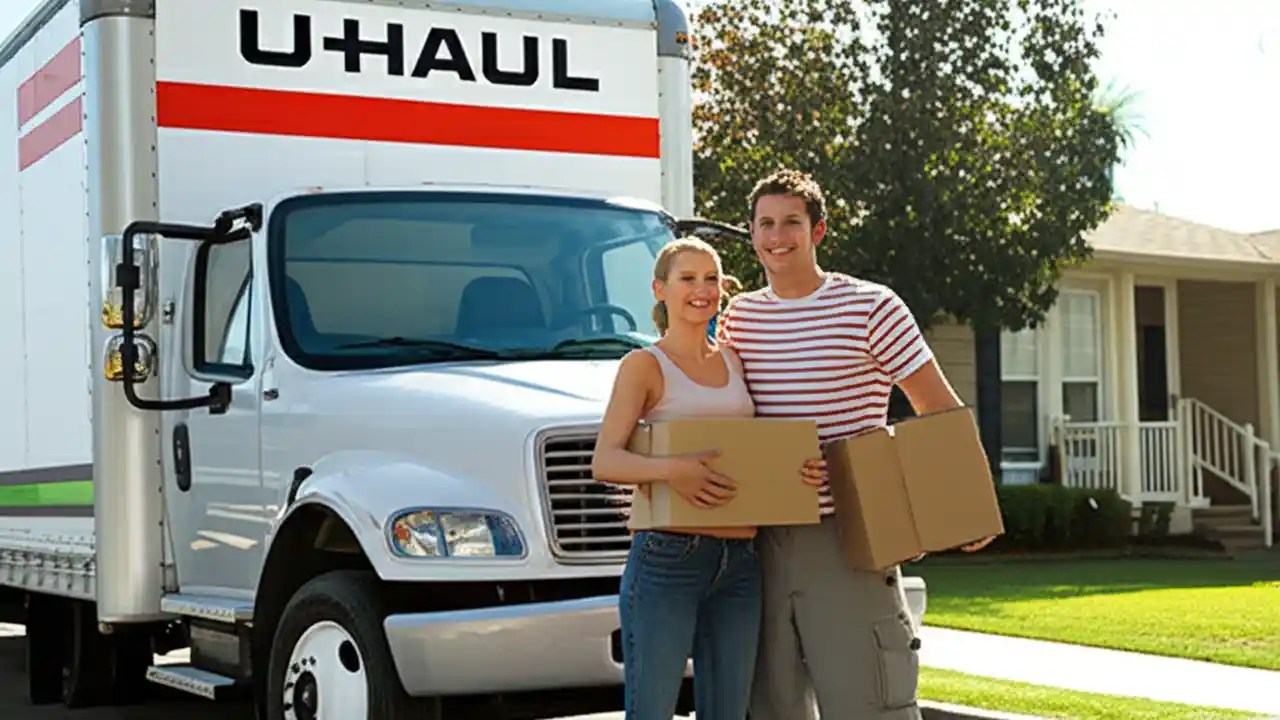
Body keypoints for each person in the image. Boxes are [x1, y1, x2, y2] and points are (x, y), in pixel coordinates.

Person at [715, 169, 995, 719]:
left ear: (818, 230)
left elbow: (937, 407)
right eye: (765, 224)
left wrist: (967, 508)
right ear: (751, 234)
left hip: (849, 536)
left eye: (792, 222)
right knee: (768, 705)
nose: (778, 236)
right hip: (756, 541)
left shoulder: (872, 307)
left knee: (868, 703)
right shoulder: (740, 319)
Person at [591, 237, 825, 720]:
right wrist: (672, 471)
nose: (703, 289)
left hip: (740, 560)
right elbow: (606, 461)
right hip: (667, 560)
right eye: (688, 278)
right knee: (651, 710)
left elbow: (755, 448)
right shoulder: (644, 366)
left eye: (712, 278)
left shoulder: (735, 359)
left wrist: (798, 470)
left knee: (728, 712)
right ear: (660, 289)